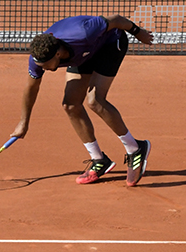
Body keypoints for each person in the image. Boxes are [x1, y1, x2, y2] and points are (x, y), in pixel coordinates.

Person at [11, 14, 154, 186]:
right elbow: (31, 88)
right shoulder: (38, 59)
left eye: (45, 66)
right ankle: (99, 160)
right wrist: (23, 122)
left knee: (95, 101)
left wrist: (138, 32)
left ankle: (135, 148)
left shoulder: (84, 32)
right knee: (70, 105)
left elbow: (116, 20)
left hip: (109, 44)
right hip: (84, 53)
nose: (43, 70)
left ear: (57, 53)